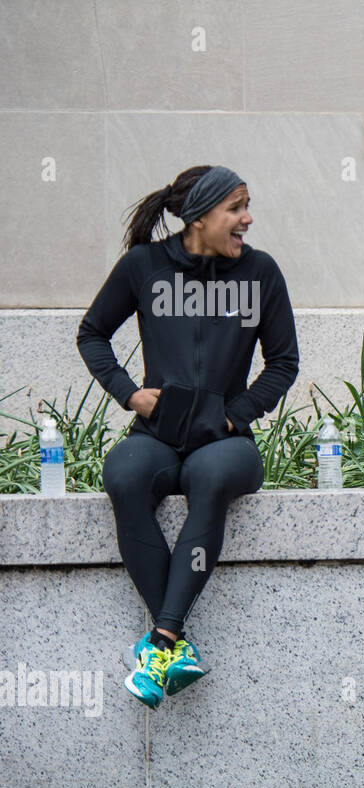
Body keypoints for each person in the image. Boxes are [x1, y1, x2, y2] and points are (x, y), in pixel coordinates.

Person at [77, 165, 299, 710]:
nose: (247, 219)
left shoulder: (260, 273)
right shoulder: (143, 267)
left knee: (210, 475)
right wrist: (131, 394)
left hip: (227, 442)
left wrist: (234, 414)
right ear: (200, 217)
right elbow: (92, 332)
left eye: (247, 206)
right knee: (124, 473)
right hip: (158, 432)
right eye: (236, 208)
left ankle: (162, 640)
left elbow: (283, 362)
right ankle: (172, 644)